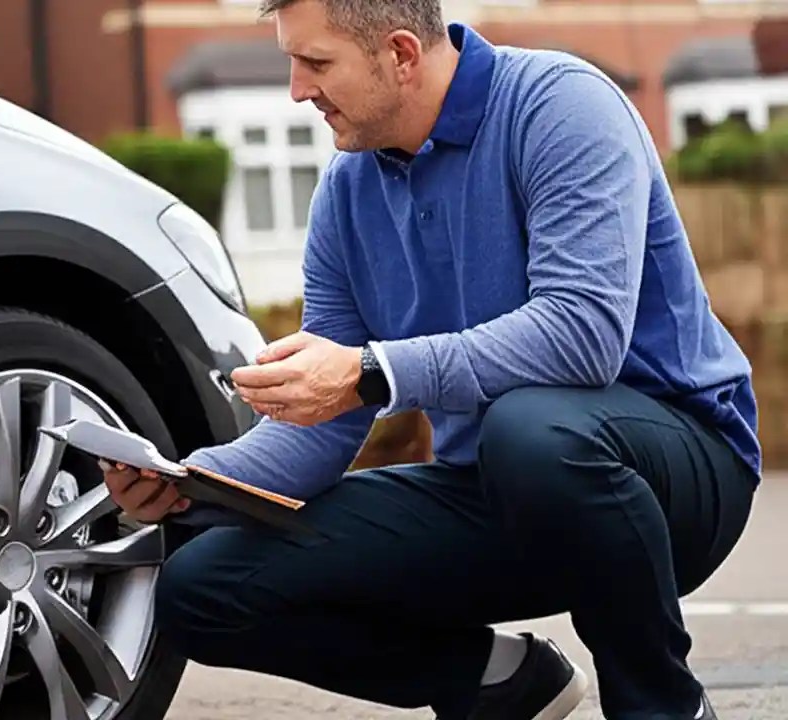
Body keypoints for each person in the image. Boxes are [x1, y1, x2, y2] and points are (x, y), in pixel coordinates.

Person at [102, 0, 761, 718]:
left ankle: (663, 707)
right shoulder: (346, 192)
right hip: (494, 490)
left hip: (675, 475)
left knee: (531, 432)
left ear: (402, 54)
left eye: (316, 63)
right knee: (201, 584)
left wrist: (372, 370)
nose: (297, 90)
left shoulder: (560, 106)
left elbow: (582, 336)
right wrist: (189, 483)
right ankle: (497, 683)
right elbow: (325, 427)